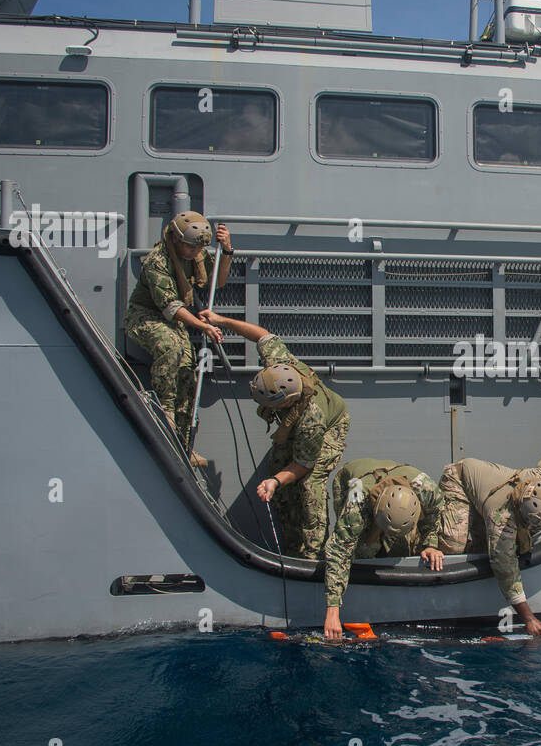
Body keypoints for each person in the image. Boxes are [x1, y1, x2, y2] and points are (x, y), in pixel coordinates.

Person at [199, 310, 349, 560]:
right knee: (277, 468)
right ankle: (291, 544)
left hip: (331, 426)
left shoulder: (312, 420)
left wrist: (276, 481)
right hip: (297, 422)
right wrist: (220, 321)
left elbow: (302, 464)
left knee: (310, 485)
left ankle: (315, 553)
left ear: (286, 404)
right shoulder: (280, 366)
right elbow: (262, 336)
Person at [125, 211, 233, 465]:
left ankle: (183, 445)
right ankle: (165, 415)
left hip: (176, 321)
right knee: (171, 347)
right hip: (146, 317)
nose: (193, 252)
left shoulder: (196, 254)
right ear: (175, 238)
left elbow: (218, 281)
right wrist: (203, 326)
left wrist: (226, 250)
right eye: (189, 246)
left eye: (198, 248)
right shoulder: (157, 261)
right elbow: (170, 307)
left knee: (187, 372)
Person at [437, 453, 541, 637]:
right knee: (453, 547)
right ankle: (427, 537)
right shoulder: (500, 518)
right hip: (459, 478)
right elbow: (505, 570)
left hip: (486, 491)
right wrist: (528, 618)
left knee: (481, 548)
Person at [321, 459, 445, 640]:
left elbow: (435, 514)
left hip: (394, 489)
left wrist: (430, 545)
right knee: (359, 549)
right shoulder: (356, 504)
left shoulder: (428, 491)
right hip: (350, 480)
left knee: (401, 547)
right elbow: (339, 551)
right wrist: (332, 612)